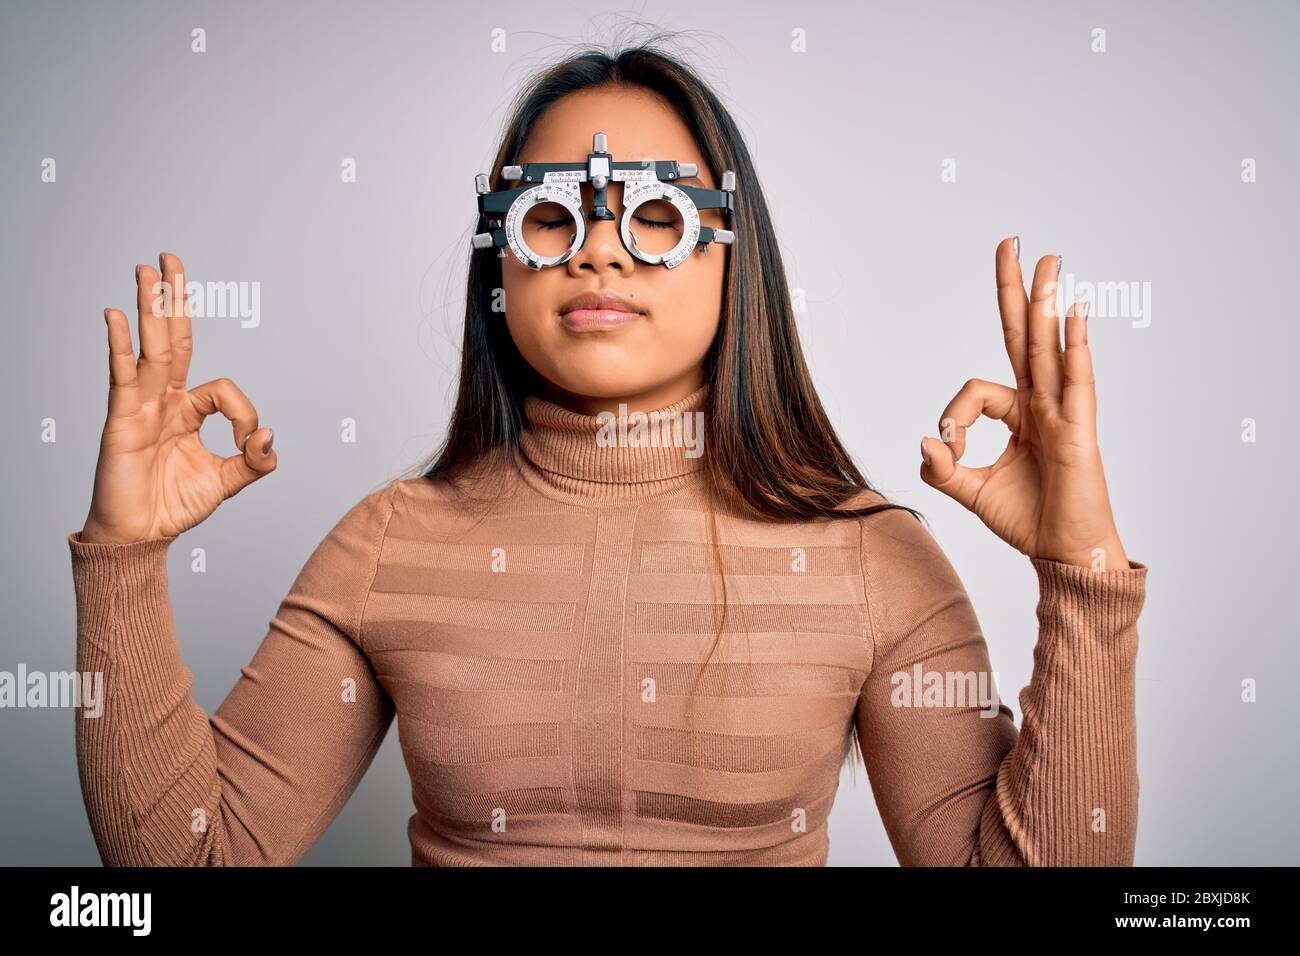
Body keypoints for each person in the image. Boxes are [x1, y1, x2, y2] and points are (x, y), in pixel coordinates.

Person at [68, 43, 1147, 867]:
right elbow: (184, 859)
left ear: (736, 259)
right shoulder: (386, 544)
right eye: (549, 216)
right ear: (503, 255)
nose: (595, 246)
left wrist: (1084, 572)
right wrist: (124, 553)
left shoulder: (871, 558)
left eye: (655, 212)